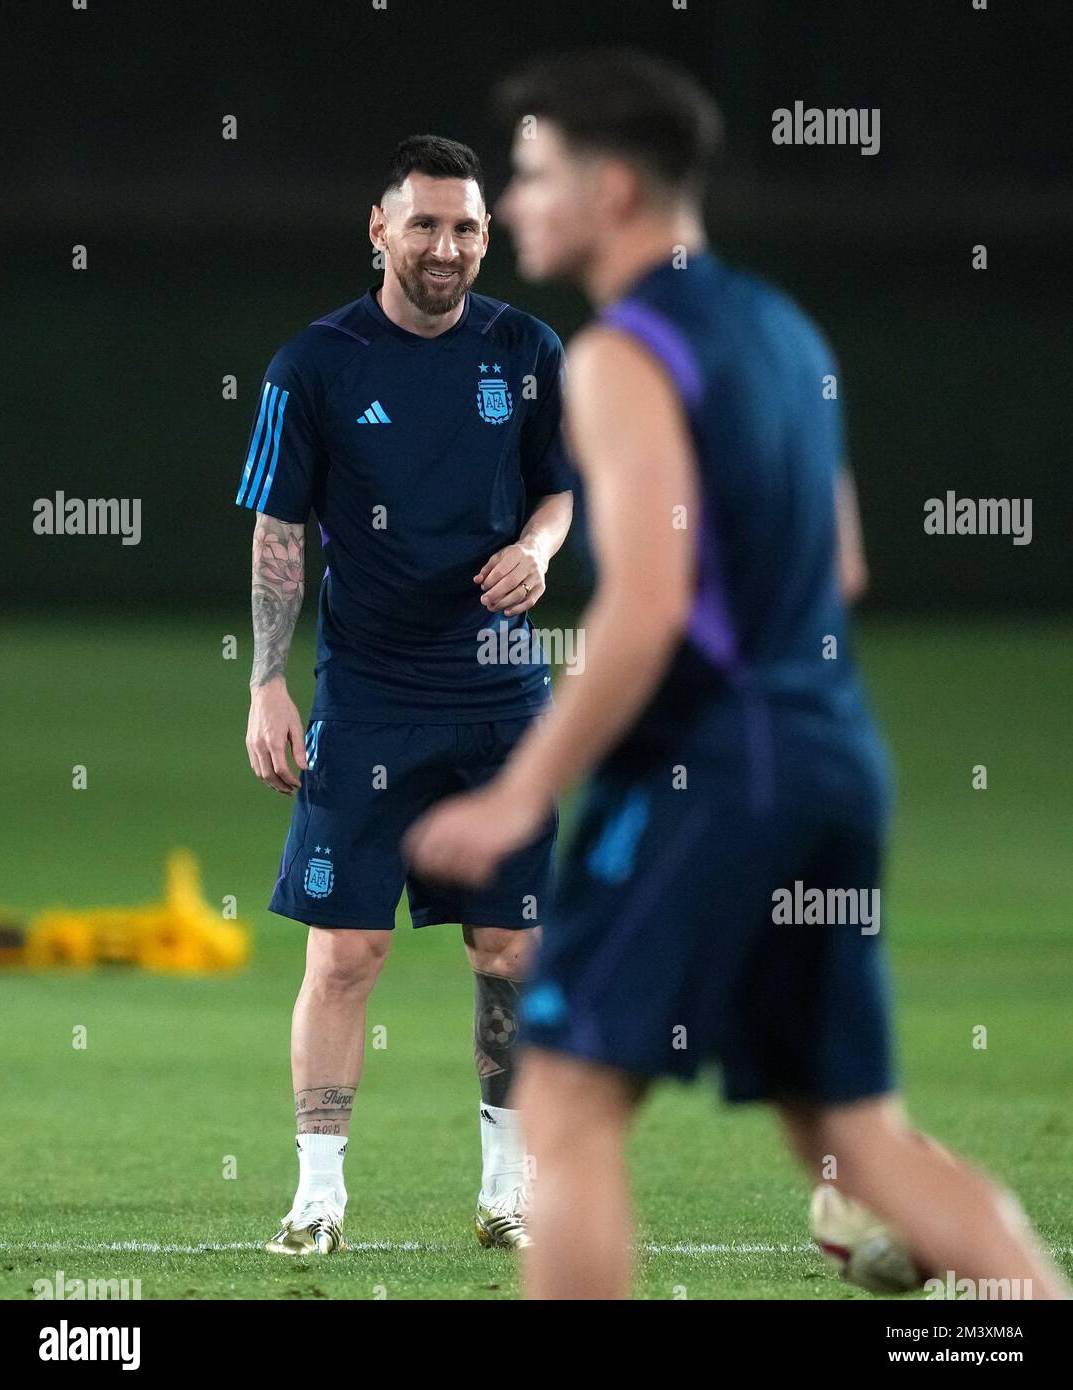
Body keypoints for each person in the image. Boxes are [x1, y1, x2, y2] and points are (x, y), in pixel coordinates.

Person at [405, 52, 1069, 1300]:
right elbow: (847, 564)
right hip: (830, 762)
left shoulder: (618, 357)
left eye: (537, 176)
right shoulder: (779, 325)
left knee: (568, 1106)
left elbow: (647, 609)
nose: (518, 203)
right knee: (858, 1137)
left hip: (717, 773)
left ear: (608, 190)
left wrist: (517, 793)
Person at [236, 134, 573, 1255]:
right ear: (378, 230)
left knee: (509, 952)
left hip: (501, 698)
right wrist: (266, 681)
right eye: (424, 222)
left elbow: (560, 493)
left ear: (489, 235)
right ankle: (318, 1196)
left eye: (467, 225)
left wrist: (538, 546)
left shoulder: (527, 350)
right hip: (369, 696)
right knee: (343, 954)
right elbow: (279, 529)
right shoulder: (313, 364)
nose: (446, 245)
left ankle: (508, 1191)